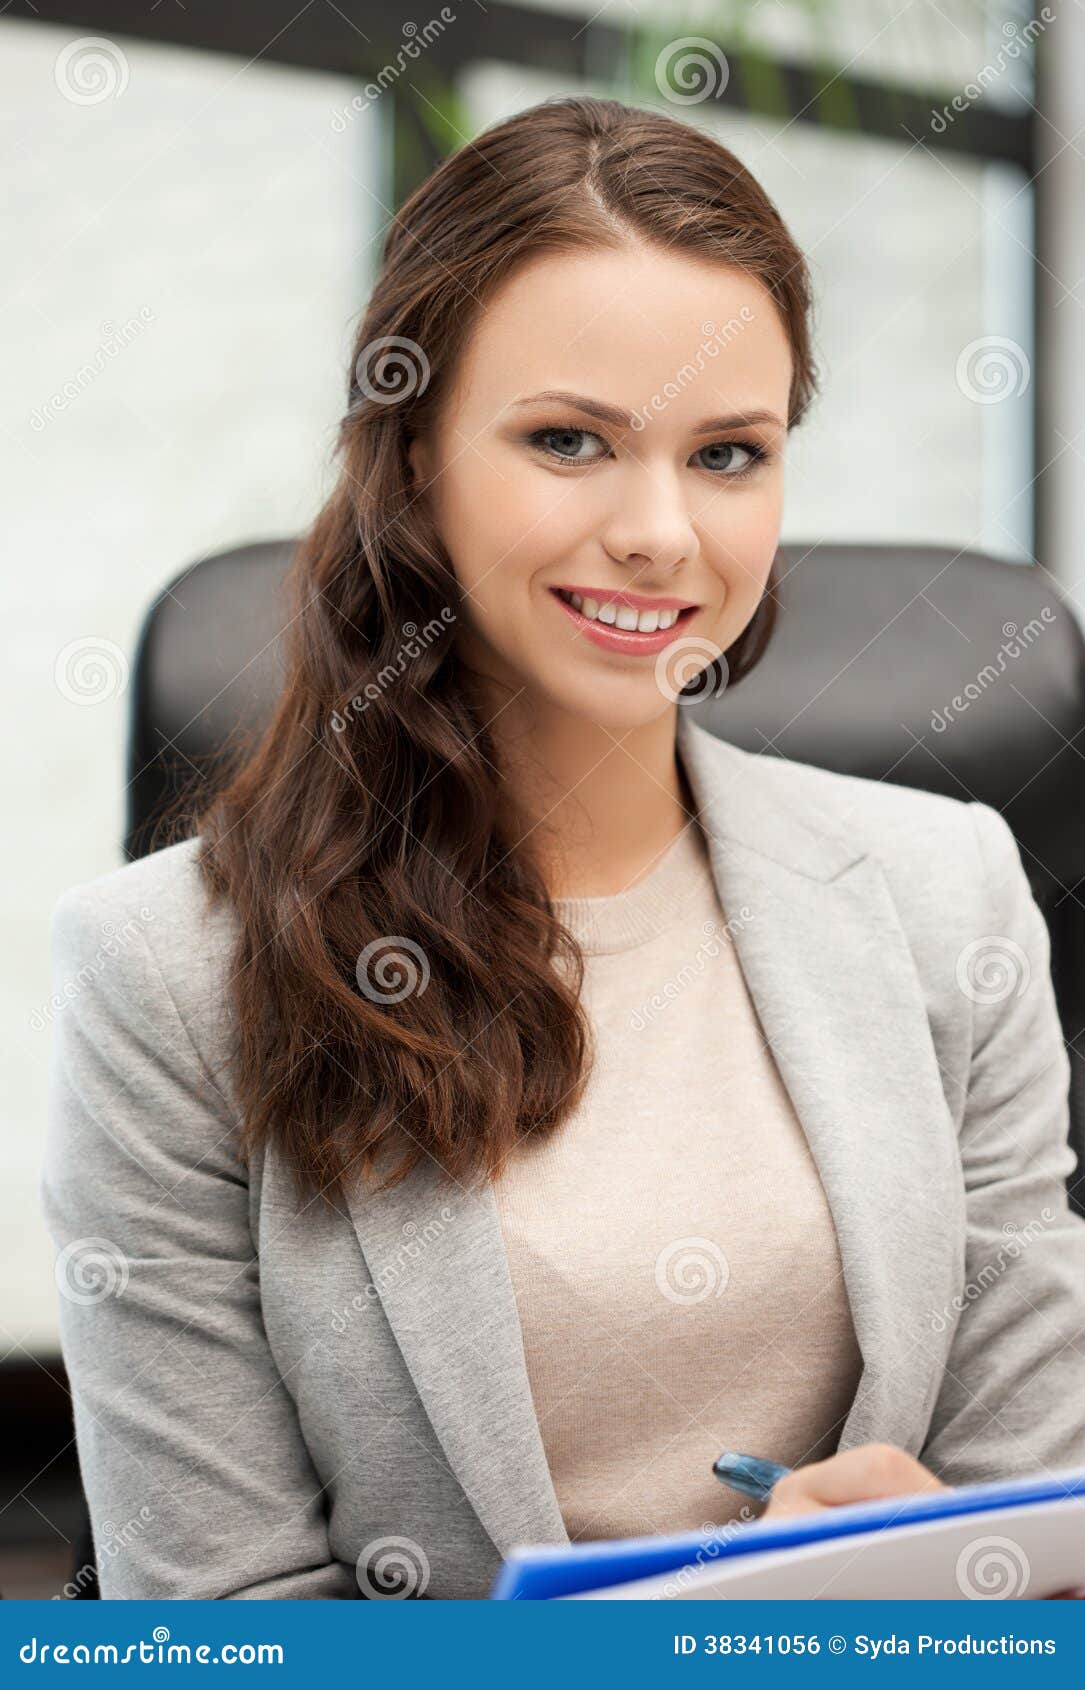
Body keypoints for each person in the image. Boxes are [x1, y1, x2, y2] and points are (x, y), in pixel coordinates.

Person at [42, 94, 1085, 1600]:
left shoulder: (947, 893)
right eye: (567, 440)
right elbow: (226, 1624)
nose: (661, 531)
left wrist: (946, 1564)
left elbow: (1038, 1533)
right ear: (410, 462)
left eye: (727, 455)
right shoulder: (163, 972)